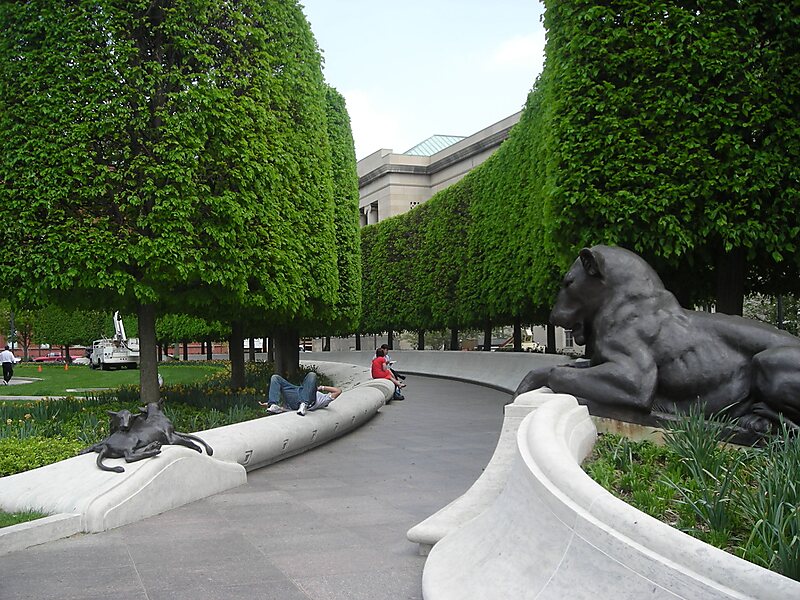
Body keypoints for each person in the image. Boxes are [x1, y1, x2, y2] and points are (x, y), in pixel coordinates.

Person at [258, 372, 342, 416]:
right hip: (296, 391)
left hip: (307, 400)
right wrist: (274, 405)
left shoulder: (323, 399)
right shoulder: (316, 392)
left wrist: (322, 387)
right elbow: (286, 407)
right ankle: (272, 404)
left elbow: (338, 391)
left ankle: (304, 404)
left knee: (312, 375)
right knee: (275, 377)